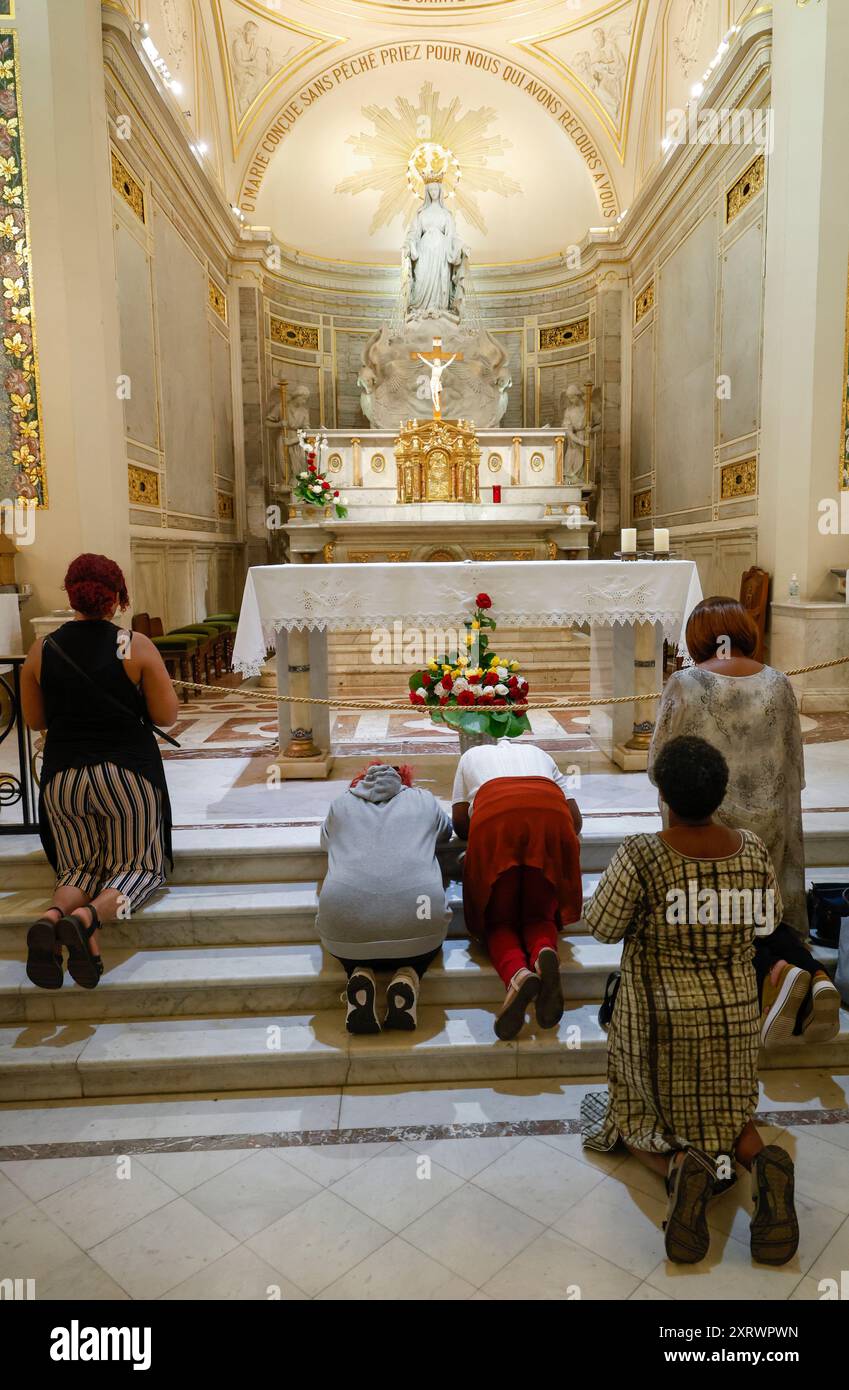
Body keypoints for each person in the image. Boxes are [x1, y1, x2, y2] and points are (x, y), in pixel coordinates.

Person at [582, 735, 799, 1267]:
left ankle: (679, 1166)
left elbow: (602, 927)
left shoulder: (642, 853)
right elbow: (766, 923)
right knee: (731, 1118)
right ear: (719, 793)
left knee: (633, 1120)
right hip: (733, 1018)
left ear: (664, 796)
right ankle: (760, 1161)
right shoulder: (750, 849)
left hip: (661, 1021)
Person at [649, 594, 839, 1043]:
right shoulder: (776, 682)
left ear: (698, 638)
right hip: (768, 819)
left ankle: (777, 972)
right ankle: (816, 976)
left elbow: (660, 761)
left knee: (722, 917)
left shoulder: (685, 683)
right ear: (745, 632)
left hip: (707, 822)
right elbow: (795, 761)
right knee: (760, 912)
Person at [20, 554, 177, 990]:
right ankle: (87, 919)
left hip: (64, 780)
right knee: (141, 868)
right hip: (125, 775)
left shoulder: (43, 649)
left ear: (71, 593)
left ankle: (54, 917)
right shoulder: (131, 644)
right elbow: (166, 716)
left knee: (78, 870)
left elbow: (34, 721)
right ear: (117, 596)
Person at [452, 738, 583, 1040]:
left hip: (496, 819)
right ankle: (543, 952)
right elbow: (574, 821)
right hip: (550, 815)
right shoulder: (539, 753)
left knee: (499, 920)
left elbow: (460, 825)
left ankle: (519, 975)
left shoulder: (470, 756)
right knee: (539, 914)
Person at [316, 762, 452, 1033]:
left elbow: (325, 842)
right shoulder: (423, 799)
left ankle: (358, 973)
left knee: (351, 932)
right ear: (405, 783)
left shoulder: (340, 804)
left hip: (343, 920)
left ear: (357, 783)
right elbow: (446, 834)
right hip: (419, 917)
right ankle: (408, 976)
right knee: (422, 938)